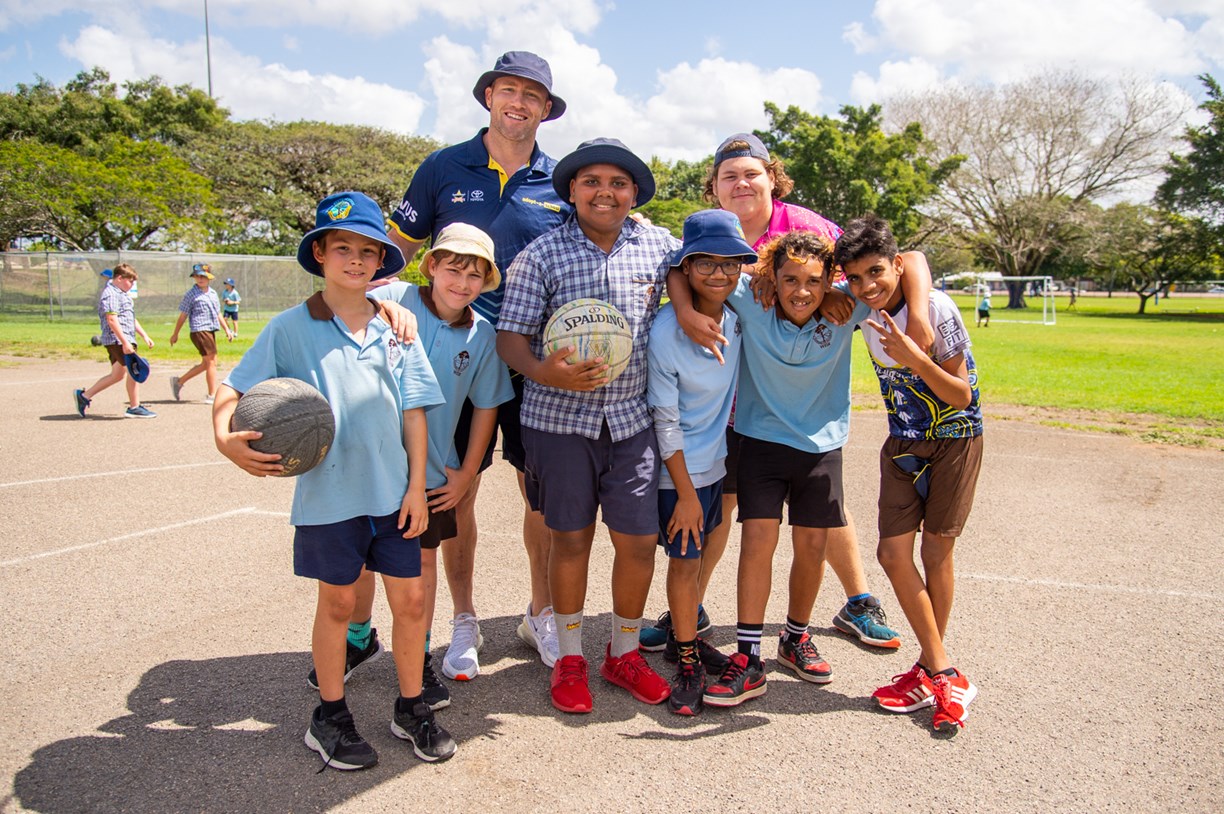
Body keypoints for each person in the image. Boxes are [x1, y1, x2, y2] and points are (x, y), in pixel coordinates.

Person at [648, 132, 928, 653]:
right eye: (729, 176)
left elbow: (888, 263)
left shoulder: (809, 228)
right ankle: (691, 607)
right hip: (736, 404)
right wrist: (684, 309)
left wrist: (913, 322)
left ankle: (857, 600)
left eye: (751, 173)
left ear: (771, 177)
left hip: (801, 400)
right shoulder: (716, 233)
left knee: (817, 514)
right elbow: (677, 264)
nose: (741, 183)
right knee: (726, 508)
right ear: (714, 187)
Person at [212, 191, 453, 769]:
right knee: (340, 604)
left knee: (413, 600)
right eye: (342, 247)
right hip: (328, 496)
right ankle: (330, 714)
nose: (355, 260)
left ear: (380, 262)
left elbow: (414, 412)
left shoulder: (399, 328)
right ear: (319, 252)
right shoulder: (289, 329)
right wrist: (224, 436)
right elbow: (232, 389)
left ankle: (412, 706)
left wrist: (417, 487)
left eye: (368, 251)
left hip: (395, 493)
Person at [388, 50, 570, 672]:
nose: (518, 103)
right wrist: (362, 303)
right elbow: (395, 249)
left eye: (533, 96)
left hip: (535, 359)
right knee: (452, 493)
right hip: (453, 355)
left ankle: (538, 614)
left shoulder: (563, 180)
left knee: (539, 497)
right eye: (508, 90)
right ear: (489, 95)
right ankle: (464, 622)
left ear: (547, 110)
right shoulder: (443, 167)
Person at [496, 137, 679, 714]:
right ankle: (570, 656)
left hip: (631, 421)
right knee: (569, 539)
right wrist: (543, 371)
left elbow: (702, 280)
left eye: (618, 183)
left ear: (634, 194)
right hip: (557, 422)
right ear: (572, 190)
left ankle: (624, 652)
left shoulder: (660, 248)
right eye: (592, 182)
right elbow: (510, 338)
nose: (605, 192)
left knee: (638, 541)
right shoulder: (541, 255)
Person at [668, 230, 870, 707]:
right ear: (770, 279)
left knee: (813, 545)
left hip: (821, 448)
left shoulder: (847, 309)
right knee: (757, 542)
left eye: (815, 282)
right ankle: (749, 655)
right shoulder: (752, 300)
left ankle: (795, 638)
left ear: (831, 281)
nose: (802, 291)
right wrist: (684, 309)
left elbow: (911, 264)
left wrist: (839, 293)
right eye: (790, 279)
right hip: (759, 441)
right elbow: (679, 270)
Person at [350, 223, 514, 705]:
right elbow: (344, 305)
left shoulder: (482, 335)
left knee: (420, 569)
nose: (462, 283)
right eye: (453, 269)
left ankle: (417, 656)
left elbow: (488, 405)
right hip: (369, 465)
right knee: (360, 563)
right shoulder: (393, 296)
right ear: (431, 266)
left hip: (434, 473)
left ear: (486, 283)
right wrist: (382, 302)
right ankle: (360, 637)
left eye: (475, 275)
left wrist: (466, 471)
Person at [835, 215, 983, 734]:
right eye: (855, 279)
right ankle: (940, 670)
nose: (866, 286)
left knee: (936, 550)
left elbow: (961, 394)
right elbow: (913, 260)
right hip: (902, 443)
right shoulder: (862, 307)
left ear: (894, 265)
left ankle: (929, 669)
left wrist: (914, 355)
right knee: (892, 553)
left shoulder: (937, 307)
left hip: (954, 438)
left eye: (876, 273)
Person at [647, 210, 754, 715]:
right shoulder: (668, 331)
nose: (719, 273)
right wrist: (685, 495)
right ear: (686, 269)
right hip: (678, 473)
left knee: (697, 561)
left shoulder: (735, 312)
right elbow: (665, 424)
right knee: (685, 564)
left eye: (730, 263)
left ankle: (679, 640)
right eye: (705, 263)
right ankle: (686, 660)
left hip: (714, 464)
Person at [73, 263, 156, 419]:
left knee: (117, 375)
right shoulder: (111, 294)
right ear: (119, 278)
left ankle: (84, 396)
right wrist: (125, 342)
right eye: (130, 281)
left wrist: (144, 335)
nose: (132, 285)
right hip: (118, 340)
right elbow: (111, 319)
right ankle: (134, 407)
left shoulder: (122, 294)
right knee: (134, 371)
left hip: (123, 339)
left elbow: (129, 318)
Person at [170, 263, 233, 403]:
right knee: (211, 362)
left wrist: (227, 329)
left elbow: (218, 313)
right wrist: (175, 334)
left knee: (207, 363)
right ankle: (212, 395)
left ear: (209, 278)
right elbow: (183, 315)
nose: (200, 279)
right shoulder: (191, 294)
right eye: (197, 276)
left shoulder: (212, 293)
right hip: (199, 330)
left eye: (203, 276)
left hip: (210, 330)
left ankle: (179, 382)